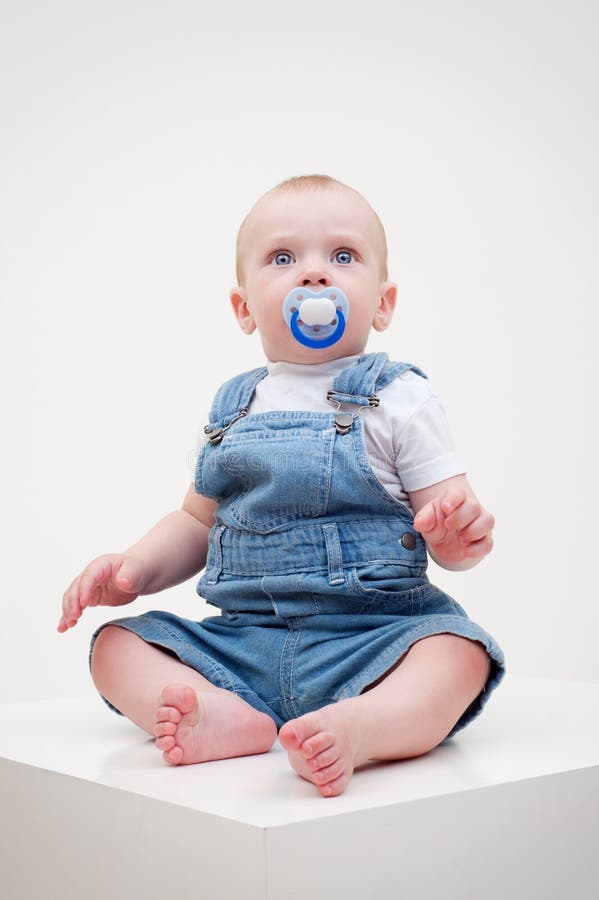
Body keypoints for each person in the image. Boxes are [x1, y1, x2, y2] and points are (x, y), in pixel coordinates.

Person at [59, 174, 505, 799]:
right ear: (244, 308)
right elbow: (196, 522)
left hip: (374, 641)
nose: (315, 275)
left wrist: (462, 537)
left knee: (461, 653)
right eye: (283, 258)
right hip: (245, 642)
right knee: (115, 646)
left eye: (343, 257)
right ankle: (222, 715)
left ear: (384, 301)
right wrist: (134, 568)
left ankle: (363, 724)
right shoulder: (232, 407)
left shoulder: (399, 397)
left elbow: (448, 528)